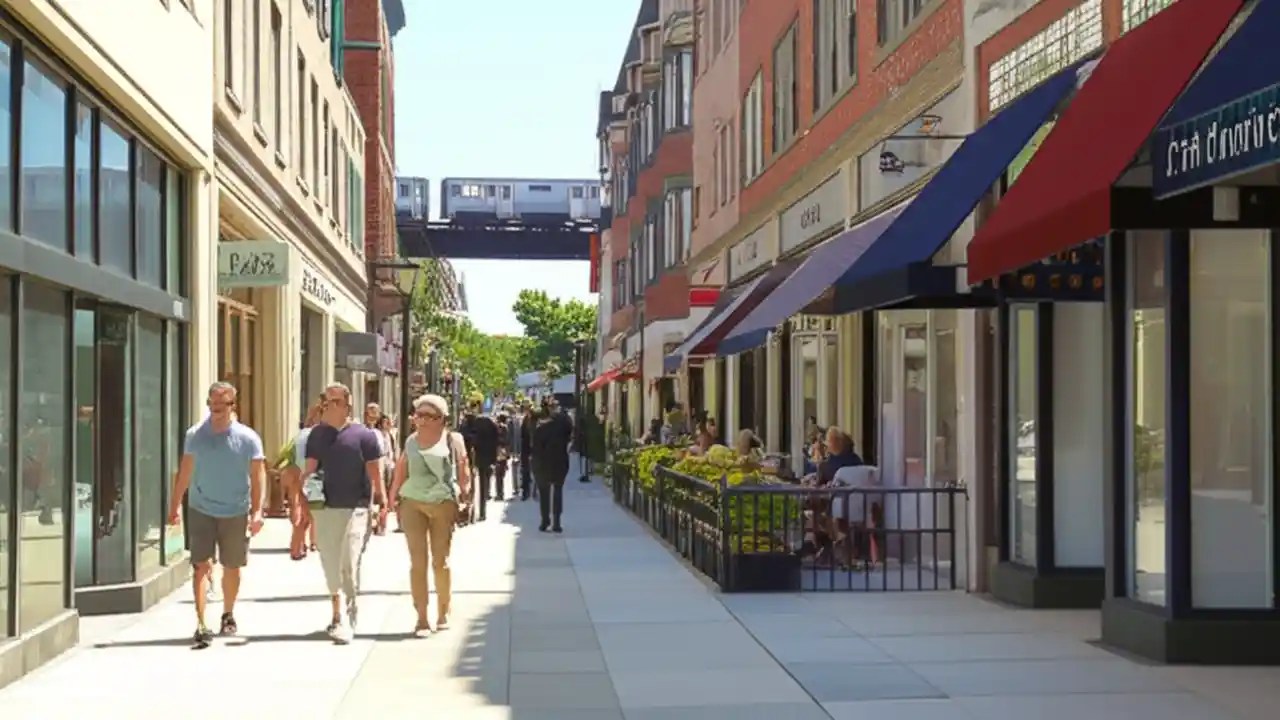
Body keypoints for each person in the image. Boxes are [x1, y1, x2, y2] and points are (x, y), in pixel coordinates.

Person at [167, 382, 266, 648]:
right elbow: (185, 471)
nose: (215, 412)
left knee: (231, 566)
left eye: (221, 407)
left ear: (233, 406)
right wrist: (175, 504)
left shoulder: (247, 438)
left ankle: (228, 613)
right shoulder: (195, 435)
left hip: (235, 510)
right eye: (212, 406)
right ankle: (201, 623)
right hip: (201, 508)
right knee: (200, 565)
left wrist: (257, 511)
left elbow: (258, 477)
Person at [304, 383, 389, 644]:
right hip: (326, 508)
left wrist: (382, 504)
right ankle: (336, 614)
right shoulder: (317, 435)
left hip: (357, 507)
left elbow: (376, 472)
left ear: (347, 405)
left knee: (350, 561)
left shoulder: (364, 435)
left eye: (334, 401)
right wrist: (302, 510)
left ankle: (349, 616)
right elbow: (308, 472)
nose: (328, 406)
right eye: (325, 401)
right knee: (331, 563)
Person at [389, 394, 471, 637]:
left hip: (442, 502)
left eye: (428, 416)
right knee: (418, 562)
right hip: (412, 502)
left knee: (440, 561)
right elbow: (401, 469)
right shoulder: (411, 441)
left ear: (442, 419)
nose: (421, 421)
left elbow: (464, 468)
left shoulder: (452, 440)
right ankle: (422, 618)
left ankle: (443, 611)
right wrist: (392, 498)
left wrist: (465, 496)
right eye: (418, 415)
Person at [283, 396, 325, 560]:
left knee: (300, 509)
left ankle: (298, 546)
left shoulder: (302, 434)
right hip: (314, 475)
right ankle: (301, 546)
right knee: (309, 515)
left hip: (298, 472)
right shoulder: (321, 435)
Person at [530, 398, 574, 532]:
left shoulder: (540, 427)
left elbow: (535, 447)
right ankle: (556, 522)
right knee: (558, 490)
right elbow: (570, 435)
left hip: (543, 463)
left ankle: (545, 521)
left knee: (544, 492)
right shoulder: (564, 423)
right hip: (560, 460)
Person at [464, 410, 501, 509]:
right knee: (485, 479)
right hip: (488, 458)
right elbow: (497, 440)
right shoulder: (492, 426)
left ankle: (477, 507)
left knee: (477, 483)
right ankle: (483, 503)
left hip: (476, 457)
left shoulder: (474, 427)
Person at [519, 405, 535, 501]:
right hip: (526, 450)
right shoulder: (525, 421)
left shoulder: (533, 422)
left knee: (530, 471)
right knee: (525, 471)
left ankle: (530, 491)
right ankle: (526, 492)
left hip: (531, 449)